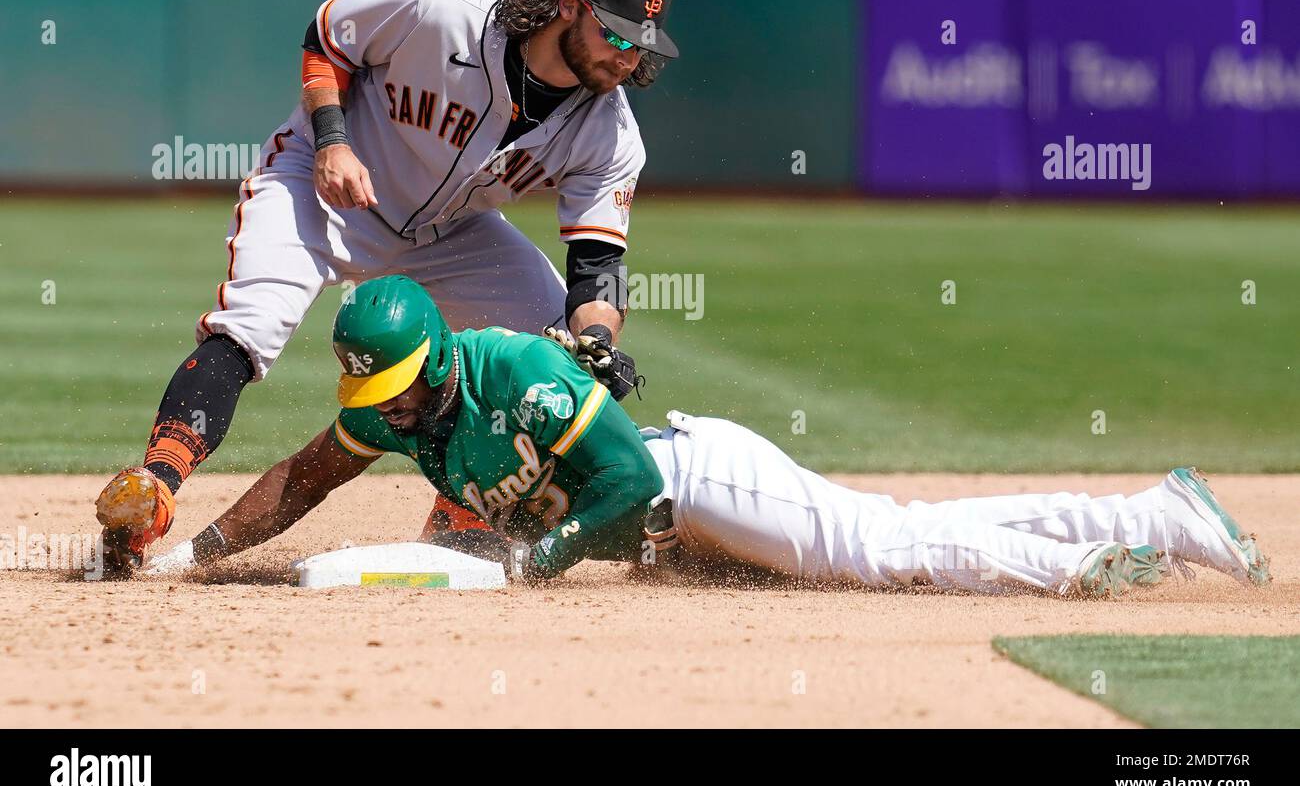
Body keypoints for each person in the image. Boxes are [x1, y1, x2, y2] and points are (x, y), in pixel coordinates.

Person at [95, 0, 680, 572]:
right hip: (321, 184)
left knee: (558, 347)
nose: (628, 57)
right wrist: (333, 142)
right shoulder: (441, 7)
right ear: (568, 5)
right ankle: (155, 485)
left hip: (449, 229)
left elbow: (596, 263)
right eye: (614, 35)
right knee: (251, 325)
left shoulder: (610, 132)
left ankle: (464, 512)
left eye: (641, 45)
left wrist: (595, 336)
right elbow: (327, 37)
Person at [142, 277, 1271, 598]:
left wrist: (537, 558)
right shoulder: (387, 408)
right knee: (897, 527)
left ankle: (1083, 564)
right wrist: (193, 551)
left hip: (700, 481)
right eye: (368, 391)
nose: (380, 407)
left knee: (878, 551)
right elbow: (301, 477)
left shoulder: (513, 370)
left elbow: (625, 478)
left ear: (433, 357)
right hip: (665, 525)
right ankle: (1155, 512)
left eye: (391, 384)